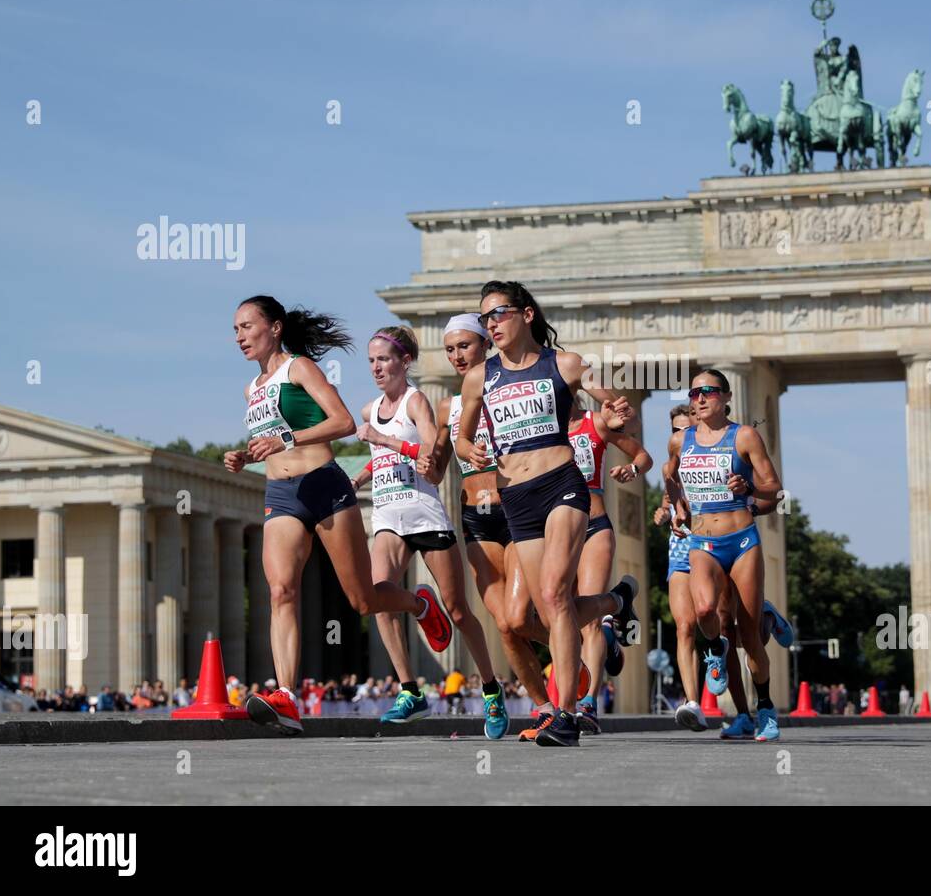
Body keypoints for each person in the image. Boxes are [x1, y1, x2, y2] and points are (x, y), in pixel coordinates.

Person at [226, 295, 448, 736]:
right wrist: (245, 456)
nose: (240, 337)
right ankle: (286, 697)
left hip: (325, 485)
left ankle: (417, 602)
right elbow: (271, 443)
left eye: (247, 326)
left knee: (362, 600)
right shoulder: (251, 388)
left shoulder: (300, 368)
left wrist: (286, 438)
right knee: (281, 590)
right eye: (235, 330)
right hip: (282, 494)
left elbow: (344, 422)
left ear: (274, 327)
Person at [455, 282, 640, 747]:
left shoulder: (565, 363)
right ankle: (616, 603)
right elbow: (461, 436)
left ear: (527, 314)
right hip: (516, 497)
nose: (491, 324)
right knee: (547, 609)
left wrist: (617, 414)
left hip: (561, 486)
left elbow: (611, 403)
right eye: (485, 319)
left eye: (498, 313)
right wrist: (469, 449)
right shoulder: (480, 376)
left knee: (556, 595)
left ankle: (565, 715)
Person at [351, 324, 507, 737]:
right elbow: (380, 457)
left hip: (422, 512)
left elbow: (431, 454)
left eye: (384, 359)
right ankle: (410, 689)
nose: (376, 368)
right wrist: (360, 476)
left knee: (458, 610)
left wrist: (384, 439)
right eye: (371, 360)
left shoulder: (417, 401)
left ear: (405, 361)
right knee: (374, 596)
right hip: (386, 514)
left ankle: (491, 691)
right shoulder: (370, 410)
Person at [667, 369, 785, 742]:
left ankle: (764, 708)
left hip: (742, 540)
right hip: (703, 543)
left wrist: (749, 486)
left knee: (750, 639)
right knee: (704, 612)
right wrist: (678, 507)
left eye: (708, 392)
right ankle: (716, 648)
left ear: (726, 396)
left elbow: (775, 488)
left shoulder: (744, 435)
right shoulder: (680, 440)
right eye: (694, 393)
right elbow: (671, 477)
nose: (700, 399)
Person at [567, 394, 653, 734]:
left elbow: (642, 455)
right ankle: (617, 606)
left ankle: (586, 703)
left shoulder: (595, 422)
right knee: (558, 614)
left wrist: (632, 468)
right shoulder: (539, 429)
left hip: (593, 525)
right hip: (553, 532)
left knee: (585, 618)